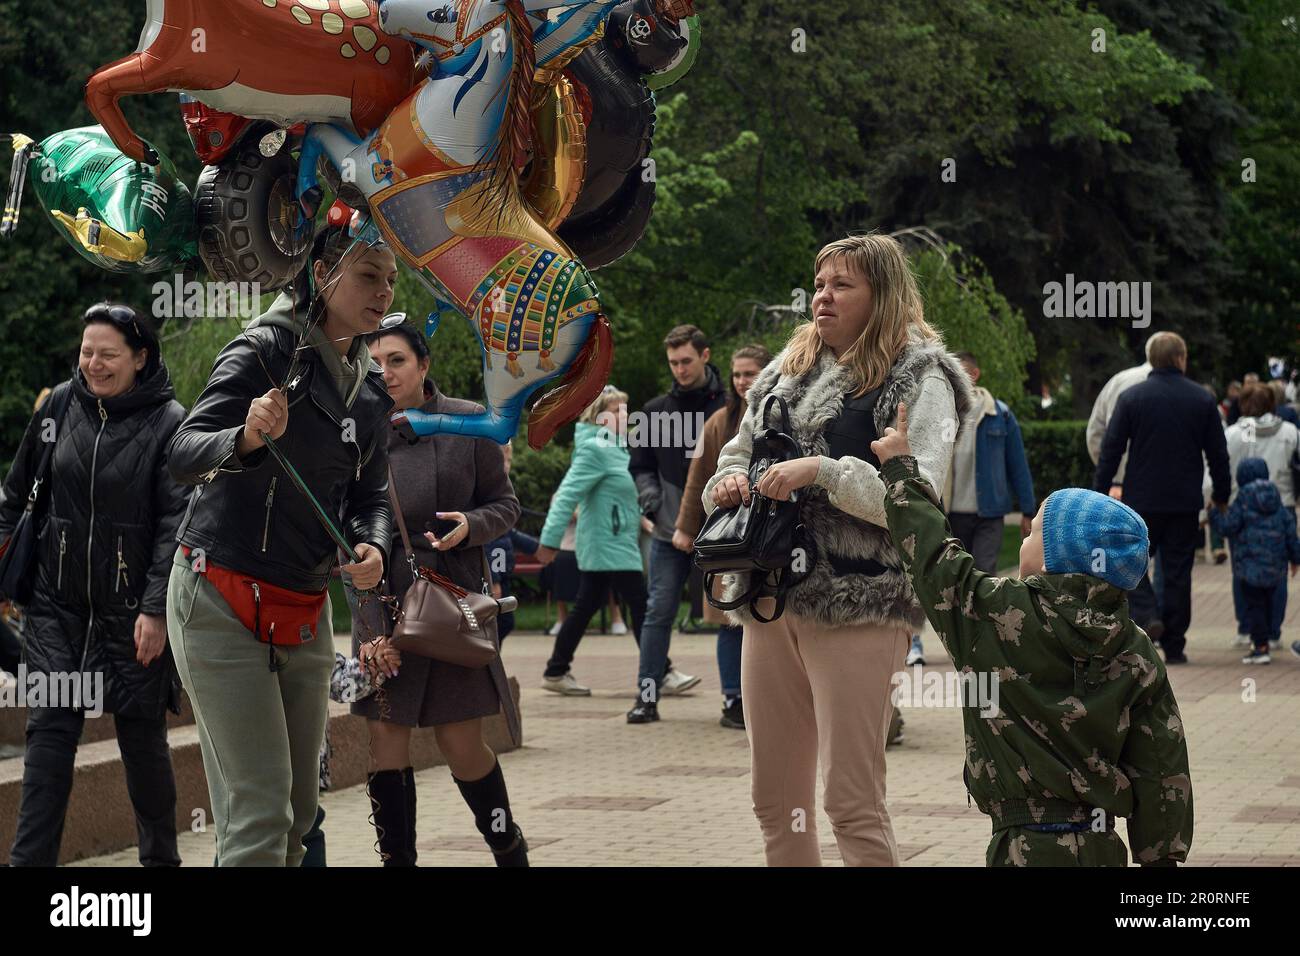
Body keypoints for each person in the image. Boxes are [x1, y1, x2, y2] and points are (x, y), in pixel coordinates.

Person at [703, 232, 972, 865]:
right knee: (775, 801)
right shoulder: (785, 369)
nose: (823, 296)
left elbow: (920, 501)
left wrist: (820, 472)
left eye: (842, 285)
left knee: (850, 801)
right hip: (768, 598)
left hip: (860, 602)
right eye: (819, 284)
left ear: (881, 296)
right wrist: (730, 483)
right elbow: (733, 456)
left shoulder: (919, 377)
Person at [165, 224, 396, 866]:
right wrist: (241, 438)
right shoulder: (265, 348)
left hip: (304, 604)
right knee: (260, 813)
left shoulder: (372, 390)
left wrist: (370, 546)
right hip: (218, 595)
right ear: (322, 272)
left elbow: (370, 498)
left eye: (391, 279)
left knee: (295, 819)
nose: (382, 291)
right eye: (368, 274)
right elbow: (182, 452)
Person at [875, 405, 1193, 867]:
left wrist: (902, 473)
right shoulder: (1135, 647)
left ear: (1057, 556)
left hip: (1022, 846)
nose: (1023, 536)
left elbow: (933, 561)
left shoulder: (997, 611)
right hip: (1102, 846)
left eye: (1036, 530)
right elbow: (1163, 764)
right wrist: (1161, 857)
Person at [1, 303, 189, 867]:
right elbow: (14, 496)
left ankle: (161, 863)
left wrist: (156, 609)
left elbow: (174, 525)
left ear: (139, 357)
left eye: (108, 354)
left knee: (143, 746)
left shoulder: (169, 421)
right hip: (57, 611)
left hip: (130, 617)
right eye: (87, 352)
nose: (94, 364)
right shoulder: (59, 406)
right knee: (49, 741)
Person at [349, 319, 526, 866]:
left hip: (451, 608)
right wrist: (370, 626)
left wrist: (469, 526)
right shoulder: (353, 430)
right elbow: (342, 526)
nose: (385, 371)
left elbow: (506, 505)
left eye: (397, 360)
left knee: (461, 745)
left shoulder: (470, 421)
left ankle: (507, 846)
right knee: (386, 744)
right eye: (374, 362)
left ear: (423, 366)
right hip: (382, 604)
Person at [1095, 332, 1230, 664]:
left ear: (1151, 360)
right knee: (1178, 572)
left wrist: (1100, 493)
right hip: (1185, 501)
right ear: (1181, 358)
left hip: (1142, 500)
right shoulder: (1201, 399)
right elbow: (1218, 454)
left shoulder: (1132, 397)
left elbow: (1111, 449)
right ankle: (1175, 643)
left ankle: (1147, 611)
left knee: (1132, 561)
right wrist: (1223, 494)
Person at [908, 351, 1036, 667]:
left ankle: (980, 643)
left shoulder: (999, 415)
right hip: (946, 511)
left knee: (984, 576)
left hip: (988, 512)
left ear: (974, 375)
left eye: (959, 372)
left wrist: (1028, 509)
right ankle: (914, 642)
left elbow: (1017, 464)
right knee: (932, 578)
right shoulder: (938, 411)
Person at [627, 325, 726, 721]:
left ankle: (736, 701)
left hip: (723, 535)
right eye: (673, 363)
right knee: (658, 613)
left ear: (705, 355)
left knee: (731, 616)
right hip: (670, 533)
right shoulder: (653, 412)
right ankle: (646, 697)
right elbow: (640, 467)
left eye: (686, 361)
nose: (680, 369)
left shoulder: (730, 408)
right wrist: (650, 501)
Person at [675, 344, 773, 729]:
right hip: (732, 534)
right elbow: (698, 477)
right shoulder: (720, 421)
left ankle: (766, 700)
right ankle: (733, 698)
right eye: (737, 374)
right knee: (730, 617)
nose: (742, 381)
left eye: (750, 373)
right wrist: (685, 527)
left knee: (767, 616)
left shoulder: (782, 411)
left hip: (773, 535)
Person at [536, 386, 647, 693]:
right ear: (598, 418)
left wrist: (643, 519)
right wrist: (550, 542)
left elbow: (618, 497)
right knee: (641, 606)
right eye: (615, 411)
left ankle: (556, 671)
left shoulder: (617, 447)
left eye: (625, 409)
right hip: (606, 544)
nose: (624, 415)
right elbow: (566, 496)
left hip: (615, 542)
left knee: (587, 606)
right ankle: (659, 671)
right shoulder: (595, 449)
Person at [1212, 383, 1299, 649]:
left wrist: (1216, 503)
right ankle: (1273, 632)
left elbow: (1220, 467)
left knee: (1243, 570)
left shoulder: (1234, 434)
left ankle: (1247, 628)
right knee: (1278, 572)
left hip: (1243, 508)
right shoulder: (1289, 432)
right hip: (1281, 505)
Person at [1210, 458, 1300, 665]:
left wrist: (1214, 513)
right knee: (1270, 603)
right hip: (1276, 567)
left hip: (1249, 568)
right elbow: (1290, 533)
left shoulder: (1242, 499)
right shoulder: (1278, 501)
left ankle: (1260, 647)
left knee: (1255, 606)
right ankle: (1270, 635)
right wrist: (1295, 558)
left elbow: (1228, 527)